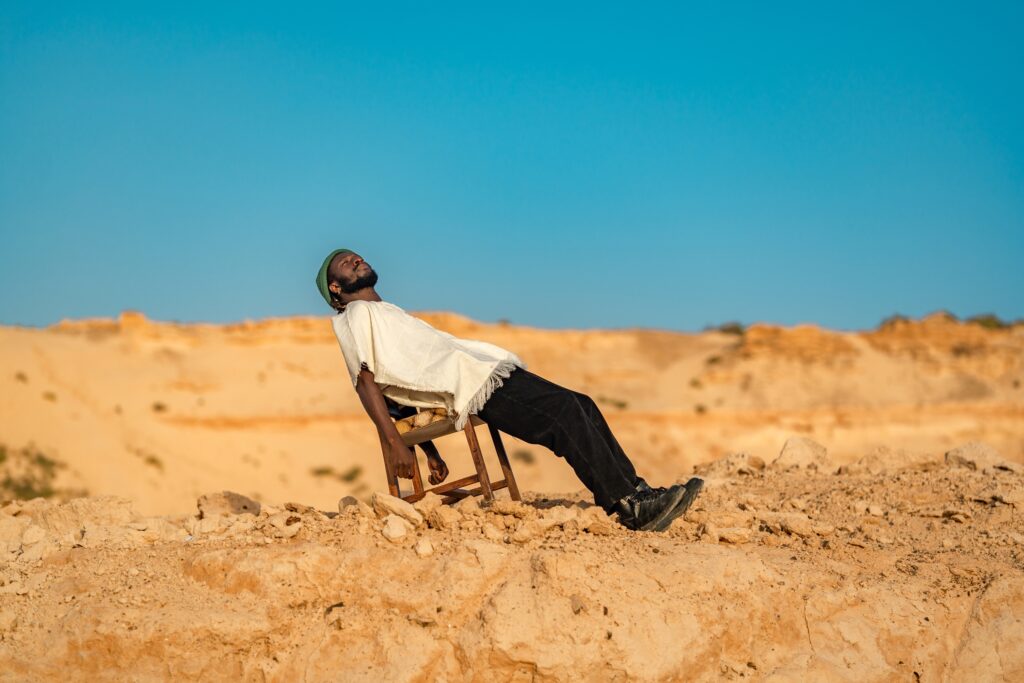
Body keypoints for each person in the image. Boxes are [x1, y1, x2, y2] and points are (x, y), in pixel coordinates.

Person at [316, 248, 703, 532]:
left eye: (356, 256)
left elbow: (401, 377)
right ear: (336, 288)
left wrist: (427, 448)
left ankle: (636, 490)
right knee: (563, 415)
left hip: (481, 372)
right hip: (470, 385)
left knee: (579, 404)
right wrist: (398, 444)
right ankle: (629, 506)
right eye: (345, 264)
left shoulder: (386, 312)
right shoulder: (352, 318)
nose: (356, 259)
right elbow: (367, 383)